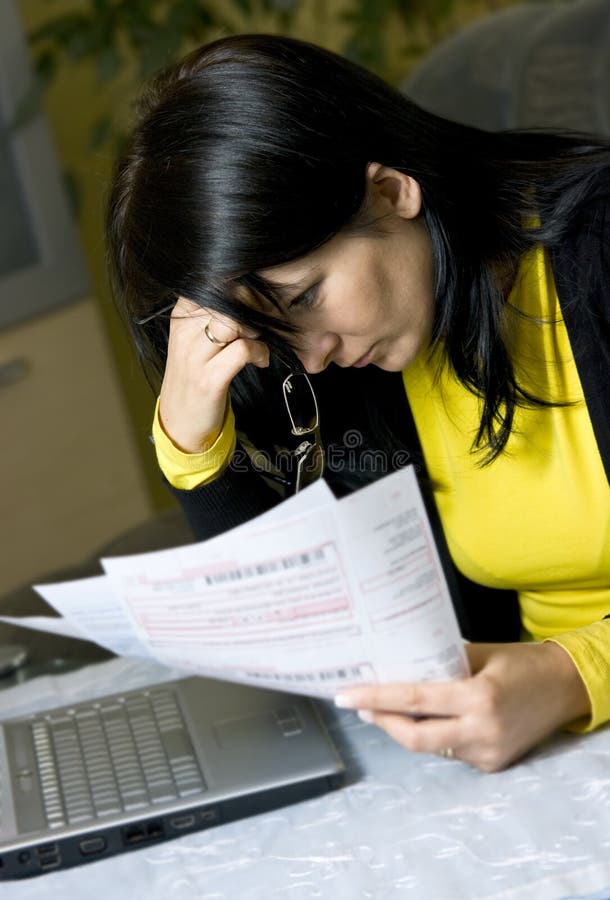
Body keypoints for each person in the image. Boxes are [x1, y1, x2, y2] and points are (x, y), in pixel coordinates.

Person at [106, 34, 610, 773]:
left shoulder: (598, 242)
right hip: (540, 755)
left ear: (390, 189)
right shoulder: (342, 367)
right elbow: (306, 636)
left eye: (306, 295)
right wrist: (191, 441)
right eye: (271, 330)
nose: (311, 354)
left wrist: (573, 675)